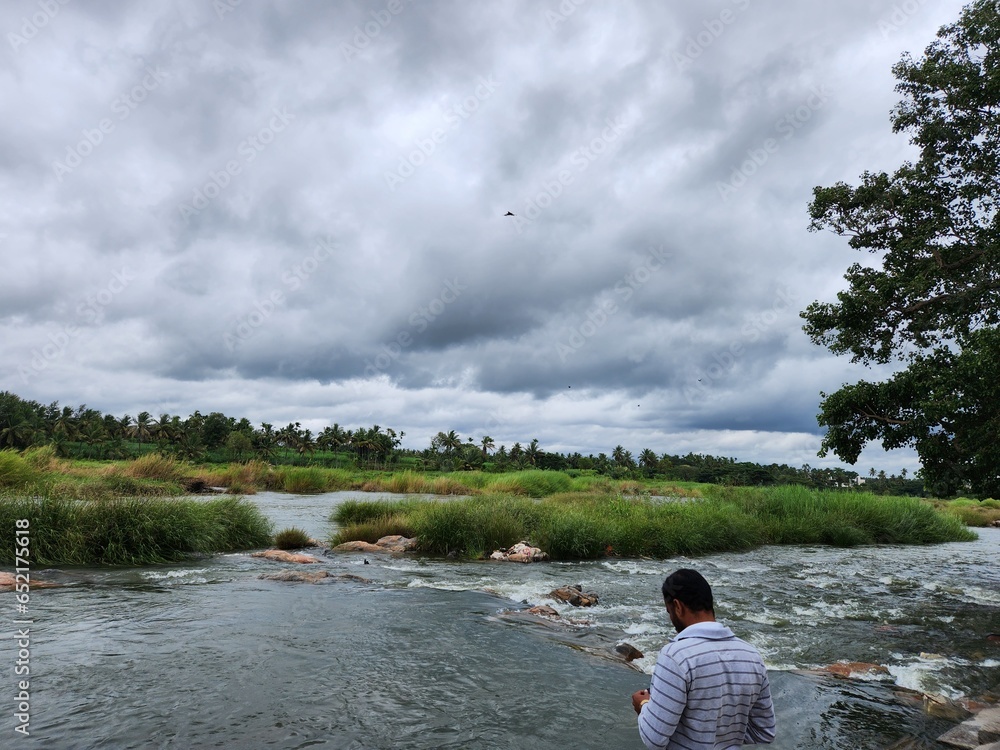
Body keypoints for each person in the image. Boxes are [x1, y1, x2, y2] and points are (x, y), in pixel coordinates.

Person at [631, 569, 775, 749]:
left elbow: (654, 739)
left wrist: (643, 705)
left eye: (669, 612)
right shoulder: (752, 656)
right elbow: (765, 732)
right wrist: (718, 735)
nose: (671, 618)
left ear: (677, 606)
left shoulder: (675, 655)